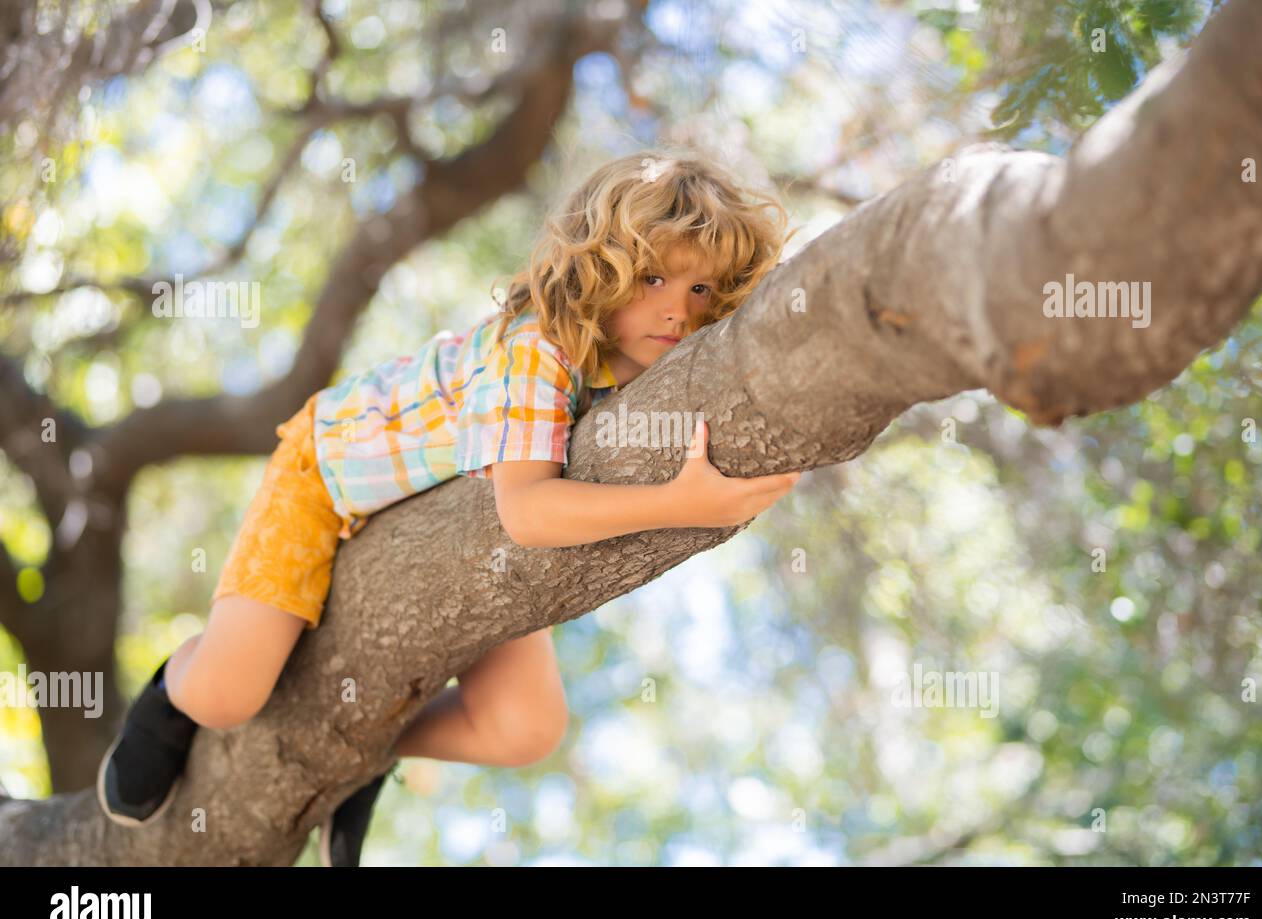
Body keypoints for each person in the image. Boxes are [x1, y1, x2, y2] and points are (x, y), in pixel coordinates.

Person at [96, 146, 803, 865]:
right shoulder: (542, 346)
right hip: (327, 472)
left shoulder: (636, 377)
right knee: (228, 695)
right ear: (603, 263)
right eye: (654, 277)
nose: (677, 311)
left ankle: (367, 754)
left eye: (703, 292)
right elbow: (527, 511)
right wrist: (679, 503)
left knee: (525, 728)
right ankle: (169, 685)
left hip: (452, 516)